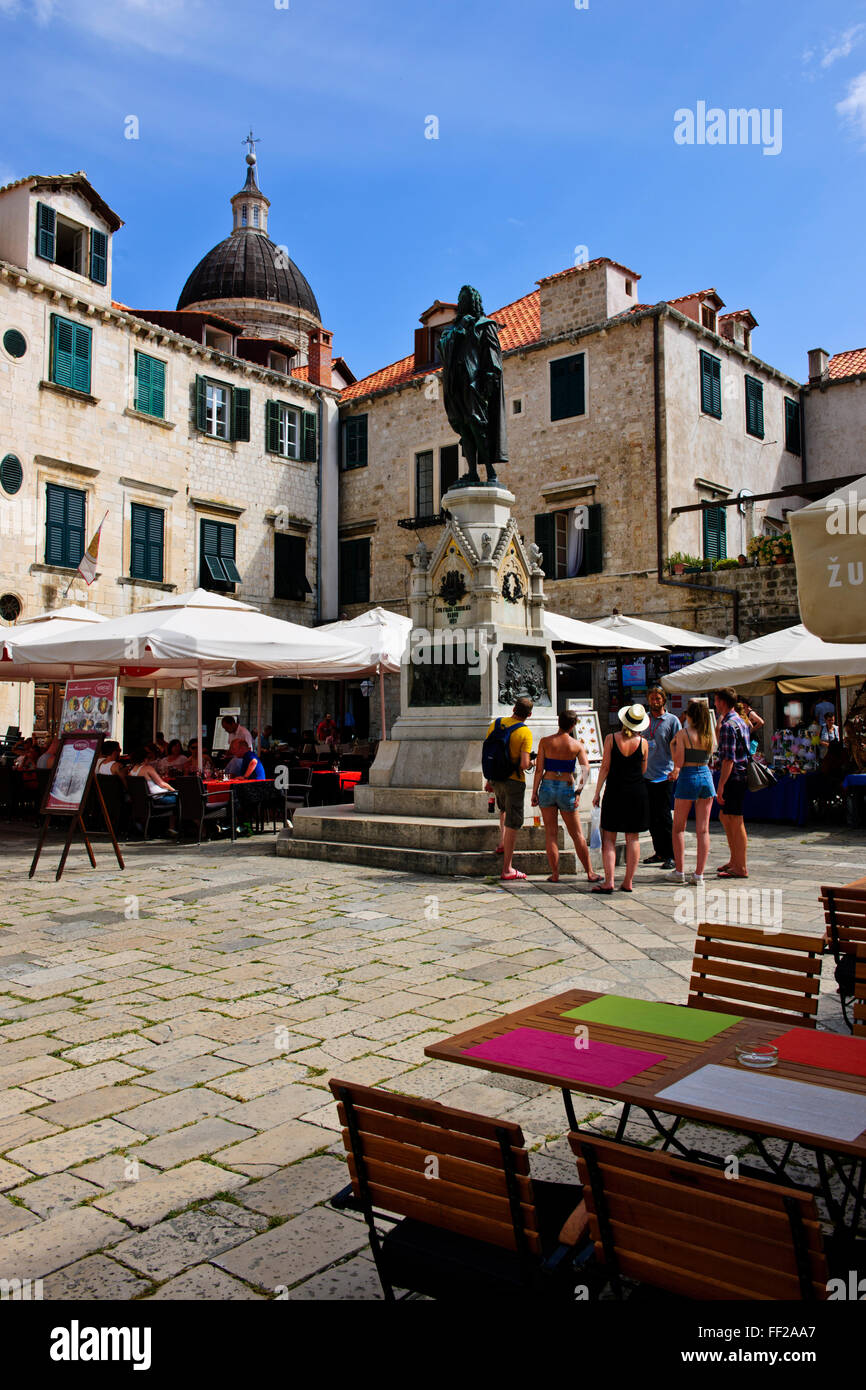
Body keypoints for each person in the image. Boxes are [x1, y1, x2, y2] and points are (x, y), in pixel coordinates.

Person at [531, 711, 601, 884]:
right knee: (577, 834)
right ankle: (590, 872)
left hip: (547, 785)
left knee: (551, 833)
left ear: (559, 723)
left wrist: (534, 792)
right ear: (573, 725)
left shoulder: (545, 742)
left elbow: (539, 769)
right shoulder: (576, 745)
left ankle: (555, 874)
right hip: (566, 787)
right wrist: (579, 791)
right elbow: (586, 769)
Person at [592, 704, 650, 893]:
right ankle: (628, 881)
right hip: (637, 791)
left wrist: (597, 792)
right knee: (633, 838)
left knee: (609, 837)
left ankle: (609, 881)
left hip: (615, 790)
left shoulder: (611, 738)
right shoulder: (643, 743)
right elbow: (643, 769)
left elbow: (605, 767)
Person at [666, 700, 716, 885]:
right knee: (703, 830)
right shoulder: (708, 735)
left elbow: (679, 762)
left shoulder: (683, 734)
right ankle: (699, 874)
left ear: (690, 715)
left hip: (688, 777)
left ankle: (679, 871)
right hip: (705, 776)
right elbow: (710, 756)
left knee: (679, 827)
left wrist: (673, 747)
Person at [484, 697, 533, 881]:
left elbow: (491, 753)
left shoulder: (496, 724)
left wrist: (489, 779)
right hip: (513, 781)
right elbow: (524, 764)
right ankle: (507, 868)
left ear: (513, 708)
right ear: (529, 715)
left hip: (496, 778)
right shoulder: (524, 732)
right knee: (513, 821)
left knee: (503, 809)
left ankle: (502, 843)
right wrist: (533, 762)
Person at [642, 687, 681, 871]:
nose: (655, 701)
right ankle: (659, 851)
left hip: (664, 774)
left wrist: (676, 768)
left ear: (664, 700)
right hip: (645, 774)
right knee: (651, 817)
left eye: (658, 698)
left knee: (664, 817)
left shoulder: (671, 721)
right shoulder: (644, 719)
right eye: (652, 698)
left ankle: (671, 855)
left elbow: (679, 745)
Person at [714, 687, 750, 879]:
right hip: (740, 776)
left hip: (733, 777)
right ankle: (734, 859)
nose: (715, 704)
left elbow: (728, 759)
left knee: (736, 821)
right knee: (725, 817)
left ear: (722, 702)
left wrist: (720, 785)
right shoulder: (740, 721)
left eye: (716, 700)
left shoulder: (728, 725)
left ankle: (740, 866)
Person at [128, 746, 178, 834]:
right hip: (157, 798)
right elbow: (162, 784)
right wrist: (175, 791)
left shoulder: (131, 772)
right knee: (180, 799)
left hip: (144, 800)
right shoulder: (147, 768)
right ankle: (172, 827)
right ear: (145, 759)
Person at [230, 737, 266, 835]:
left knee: (236, 801)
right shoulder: (246, 756)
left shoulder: (249, 755)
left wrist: (245, 777)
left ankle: (243, 826)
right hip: (254, 788)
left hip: (256, 789)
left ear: (241, 749)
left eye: (233, 748)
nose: (232, 751)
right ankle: (242, 825)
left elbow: (254, 762)